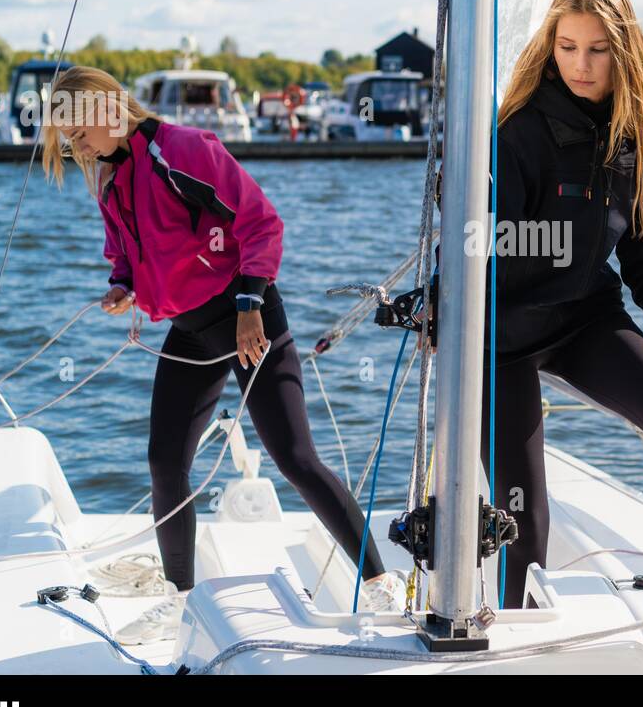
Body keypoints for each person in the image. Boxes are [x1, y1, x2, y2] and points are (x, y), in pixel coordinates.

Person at [41, 65, 404, 643]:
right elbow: (127, 253)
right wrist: (123, 285)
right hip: (189, 333)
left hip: (247, 319)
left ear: (107, 109)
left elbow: (261, 223)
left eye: (78, 132)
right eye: (68, 140)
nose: (76, 146)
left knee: (294, 458)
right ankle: (180, 599)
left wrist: (250, 306)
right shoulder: (110, 179)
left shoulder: (179, 150)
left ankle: (383, 581)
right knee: (165, 463)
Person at [485, 0, 643, 609]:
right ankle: (518, 649)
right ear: (550, 49)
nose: (581, 65)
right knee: (522, 525)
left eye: (597, 49)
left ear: (625, 52)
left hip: (585, 319)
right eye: (567, 47)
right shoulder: (520, 135)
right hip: (498, 337)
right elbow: (480, 247)